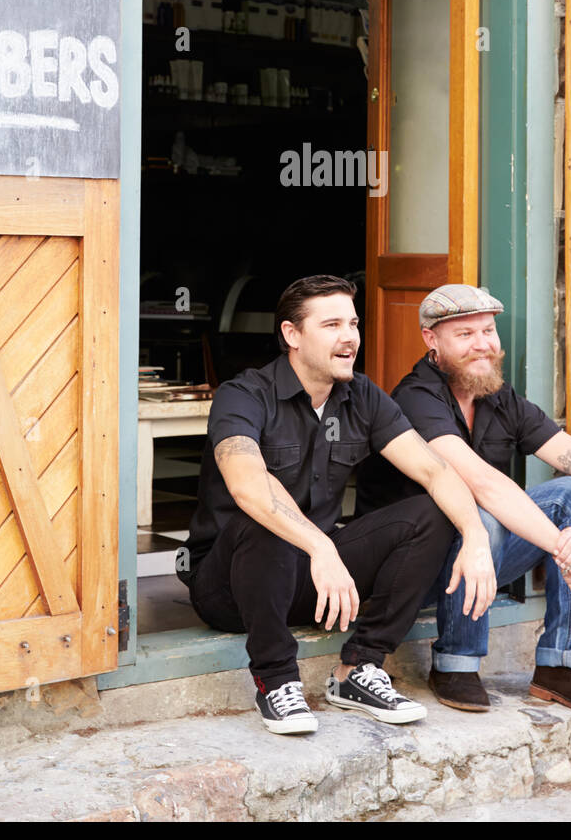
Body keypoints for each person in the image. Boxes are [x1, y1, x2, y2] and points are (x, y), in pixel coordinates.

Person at [177, 274, 498, 736]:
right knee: (267, 514)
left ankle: (359, 669)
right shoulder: (243, 395)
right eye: (331, 325)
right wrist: (321, 548)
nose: (349, 337)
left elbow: (435, 470)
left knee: (431, 511)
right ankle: (276, 680)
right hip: (231, 588)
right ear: (292, 335)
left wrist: (475, 535)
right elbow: (247, 486)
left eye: (353, 323)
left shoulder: (362, 395)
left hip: (313, 584)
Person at [355, 284, 571, 719]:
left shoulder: (499, 399)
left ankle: (562, 668)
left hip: (479, 559)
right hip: (405, 571)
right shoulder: (415, 398)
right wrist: (569, 556)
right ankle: (455, 664)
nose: (482, 345)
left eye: (488, 331)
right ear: (431, 339)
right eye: (464, 335)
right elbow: (481, 483)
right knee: (484, 514)